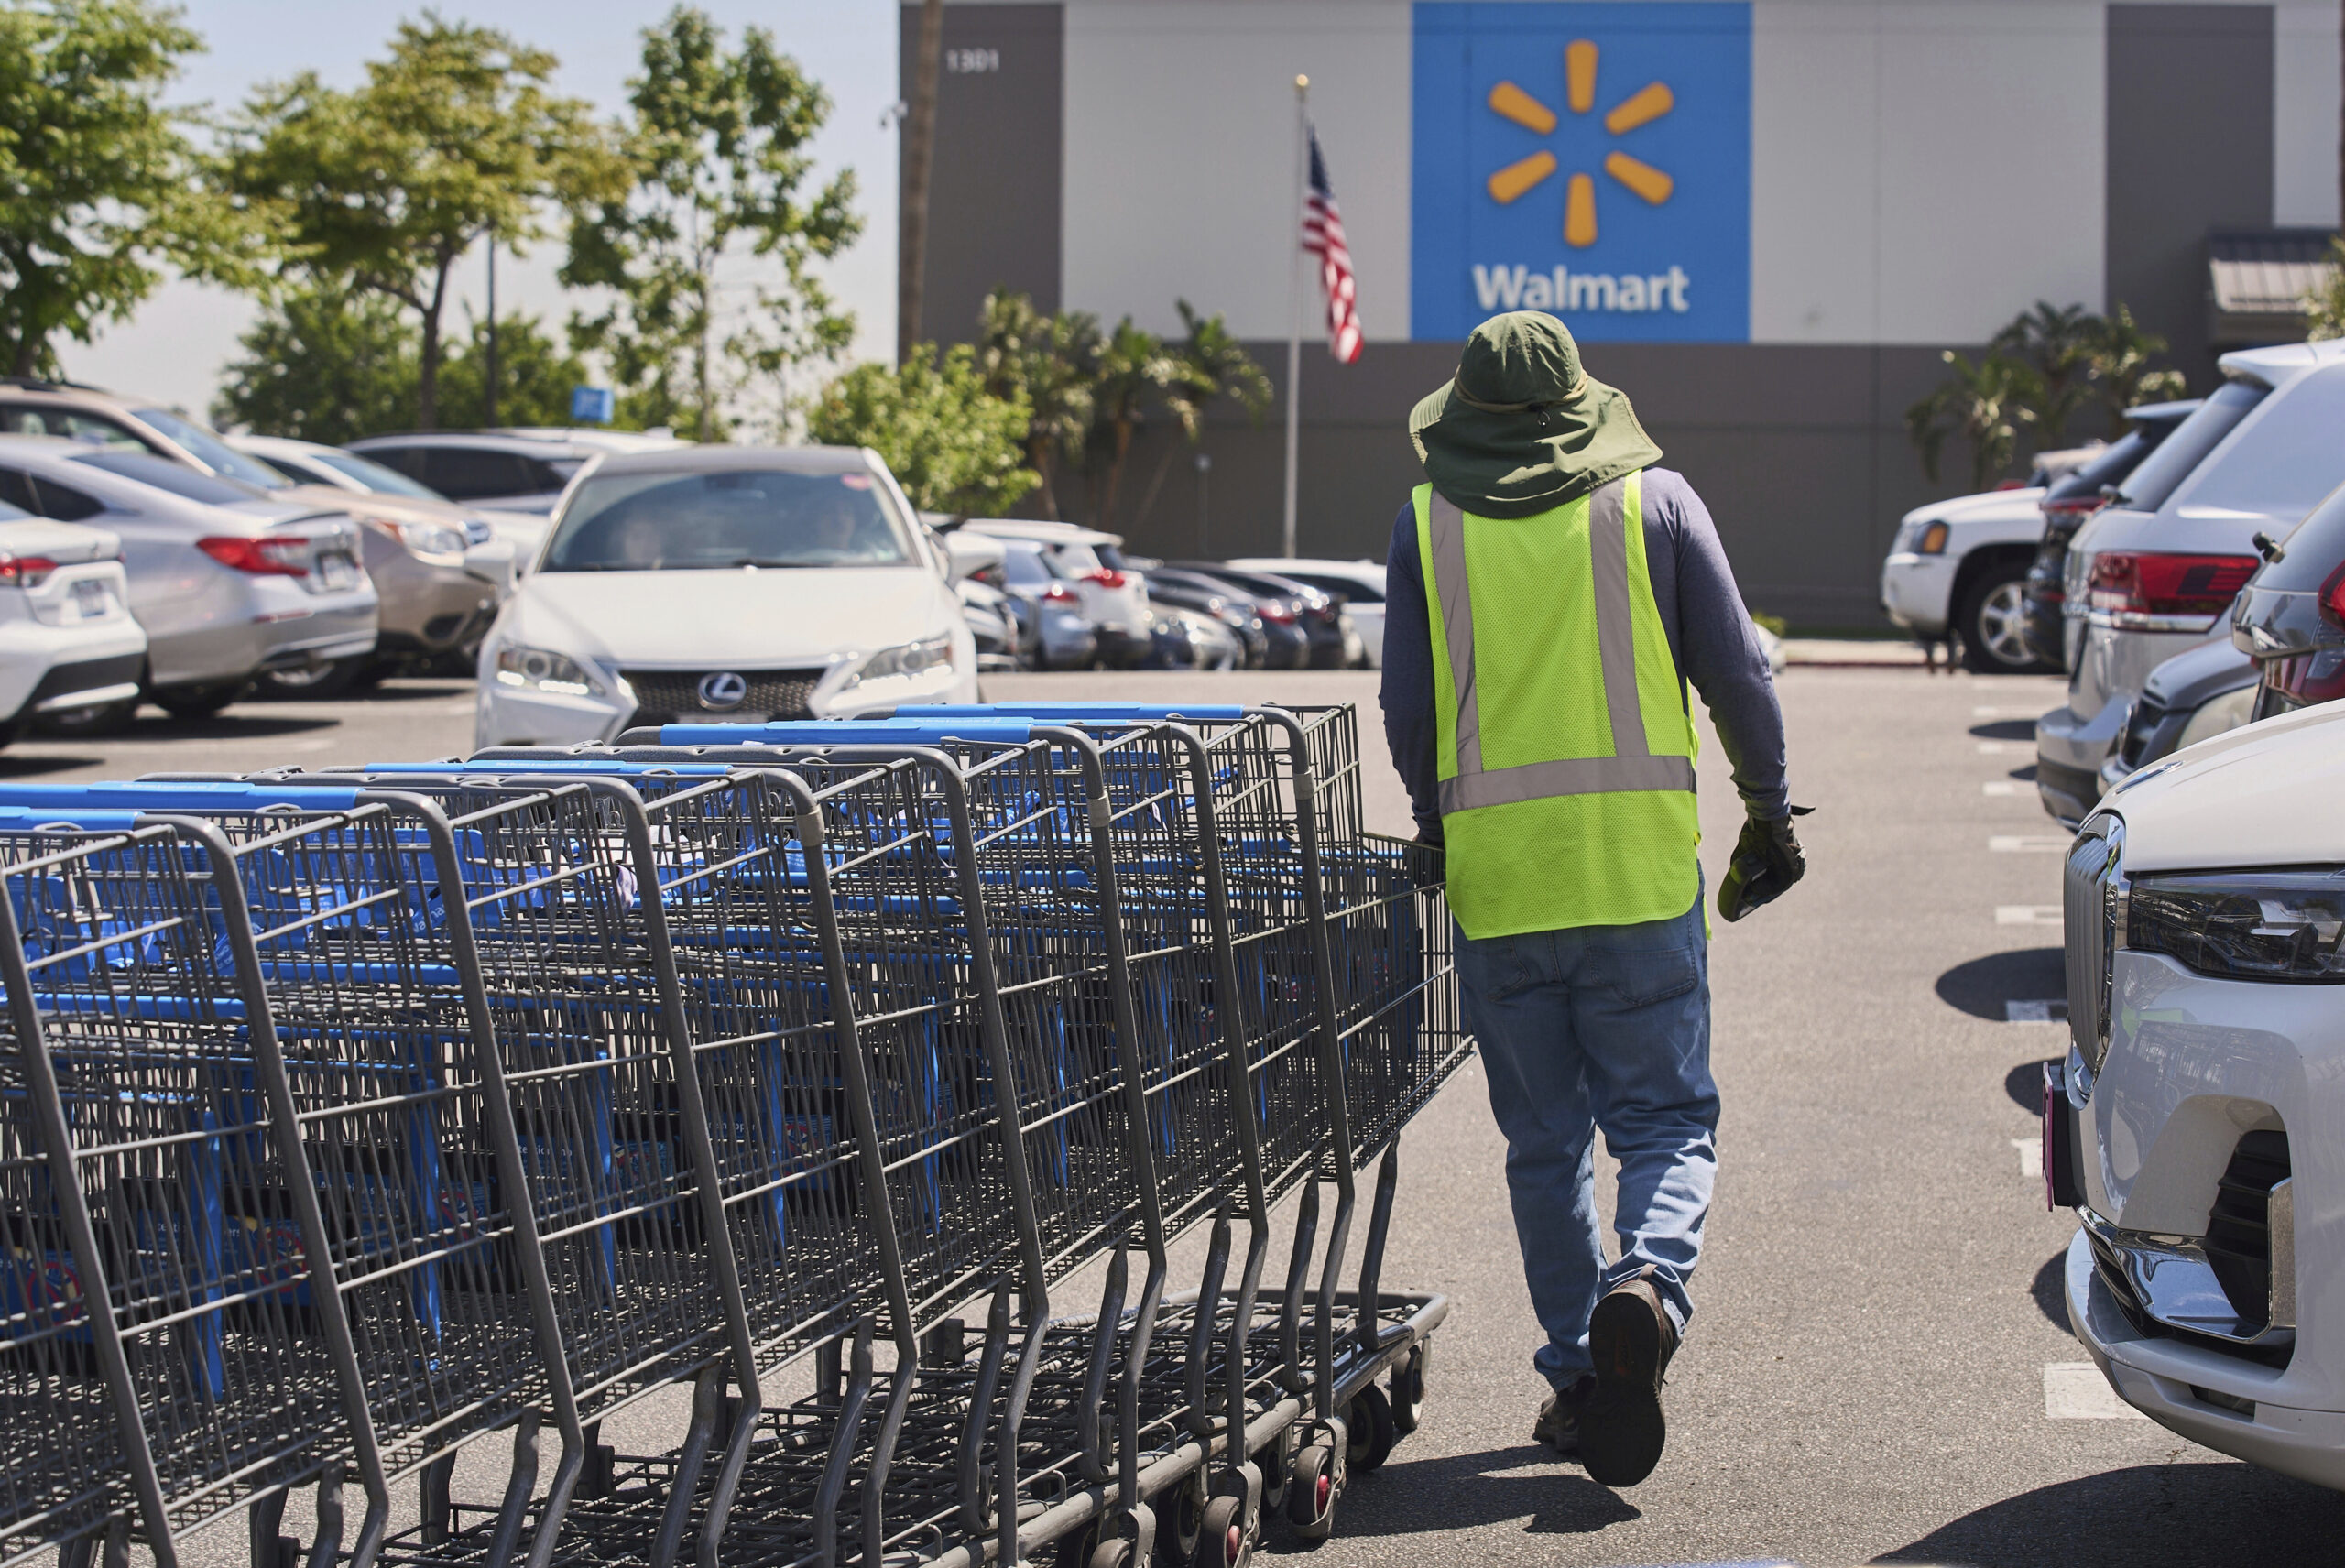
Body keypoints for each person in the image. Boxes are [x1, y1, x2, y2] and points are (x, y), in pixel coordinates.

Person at [1379, 311, 1805, 1488]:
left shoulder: (1424, 522)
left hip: (1500, 887)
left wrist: (1434, 825)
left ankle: (1578, 1374)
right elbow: (1738, 673)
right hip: (1634, 878)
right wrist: (1768, 809)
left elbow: (1408, 711)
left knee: (1543, 1144)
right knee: (1663, 1121)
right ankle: (1648, 1286)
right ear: (1580, 404)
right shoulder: (1654, 503)